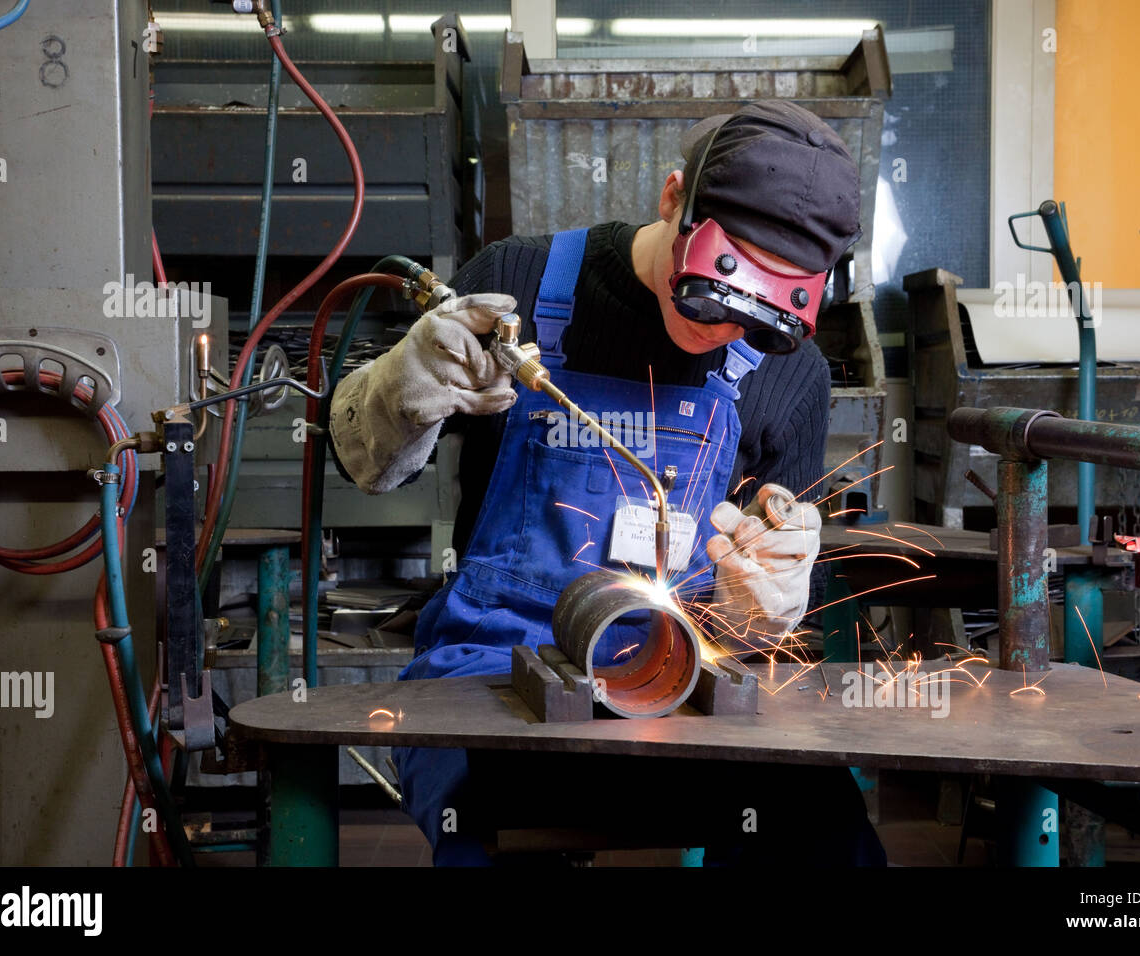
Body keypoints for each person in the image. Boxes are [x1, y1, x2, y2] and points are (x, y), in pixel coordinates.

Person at [329, 99, 885, 866]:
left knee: (826, 839)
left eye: (758, 320)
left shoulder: (792, 375)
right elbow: (364, 468)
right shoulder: (516, 283)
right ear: (672, 200)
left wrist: (767, 607)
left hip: (681, 672)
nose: (726, 331)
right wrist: (405, 387)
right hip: (494, 670)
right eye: (713, 294)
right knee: (484, 838)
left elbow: (774, 601)